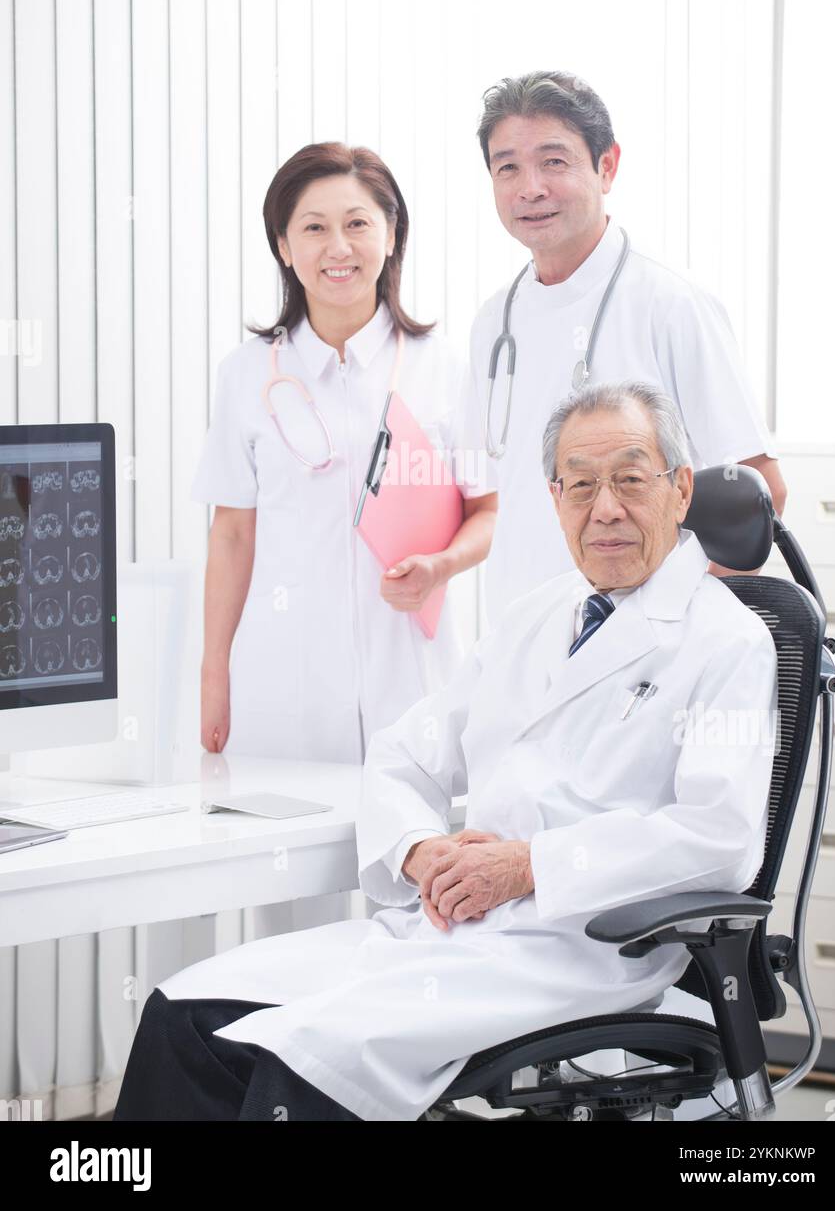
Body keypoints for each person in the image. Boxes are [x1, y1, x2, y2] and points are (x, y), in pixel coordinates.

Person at [114, 382, 776, 1122]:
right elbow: (405, 753)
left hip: (577, 951)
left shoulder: (728, 643)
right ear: (554, 498)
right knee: (183, 1018)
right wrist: (420, 852)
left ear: (679, 490)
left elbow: (720, 840)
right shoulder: (533, 618)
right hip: (448, 930)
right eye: (580, 485)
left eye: (629, 479)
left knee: (302, 1067)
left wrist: (527, 866)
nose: (605, 509)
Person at [195, 141, 496, 765]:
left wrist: (440, 566)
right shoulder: (246, 375)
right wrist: (214, 674)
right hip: (282, 683)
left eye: (358, 224)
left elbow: (488, 510)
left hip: (412, 676)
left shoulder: (443, 370)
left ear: (391, 235)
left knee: (418, 850)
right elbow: (231, 536)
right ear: (283, 246)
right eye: (314, 228)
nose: (338, 247)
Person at [462, 71, 787, 625]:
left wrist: (662, 619)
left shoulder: (671, 305)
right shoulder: (494, 321)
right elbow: (501, 498)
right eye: (507, 167)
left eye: (554, 161)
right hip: (523, 637)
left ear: (606, 166)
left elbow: (762, 493)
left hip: (646, 653)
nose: (530, 187)